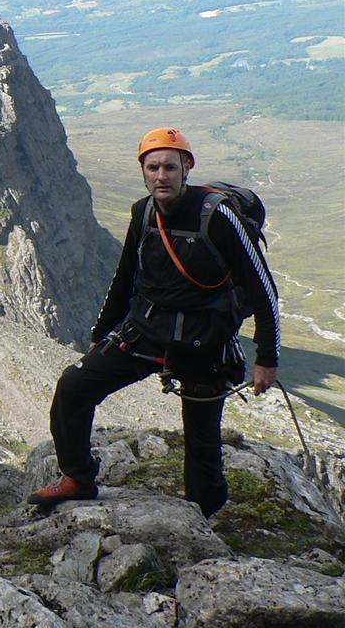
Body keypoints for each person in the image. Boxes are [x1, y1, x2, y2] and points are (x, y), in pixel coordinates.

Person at [28, 127, 280, 517]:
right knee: (74, 386)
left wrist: (266, 358)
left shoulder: (219, 217)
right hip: (146, 331)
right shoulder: (143, 213)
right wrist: (101, 334)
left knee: (202, 444)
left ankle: (203, 516)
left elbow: (263, 289)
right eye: (153, 167)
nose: (161, 176)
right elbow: (125, 276)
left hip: (204, 341)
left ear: (186, 168)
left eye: (170, 167)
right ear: (143, 172)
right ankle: (77, 477)